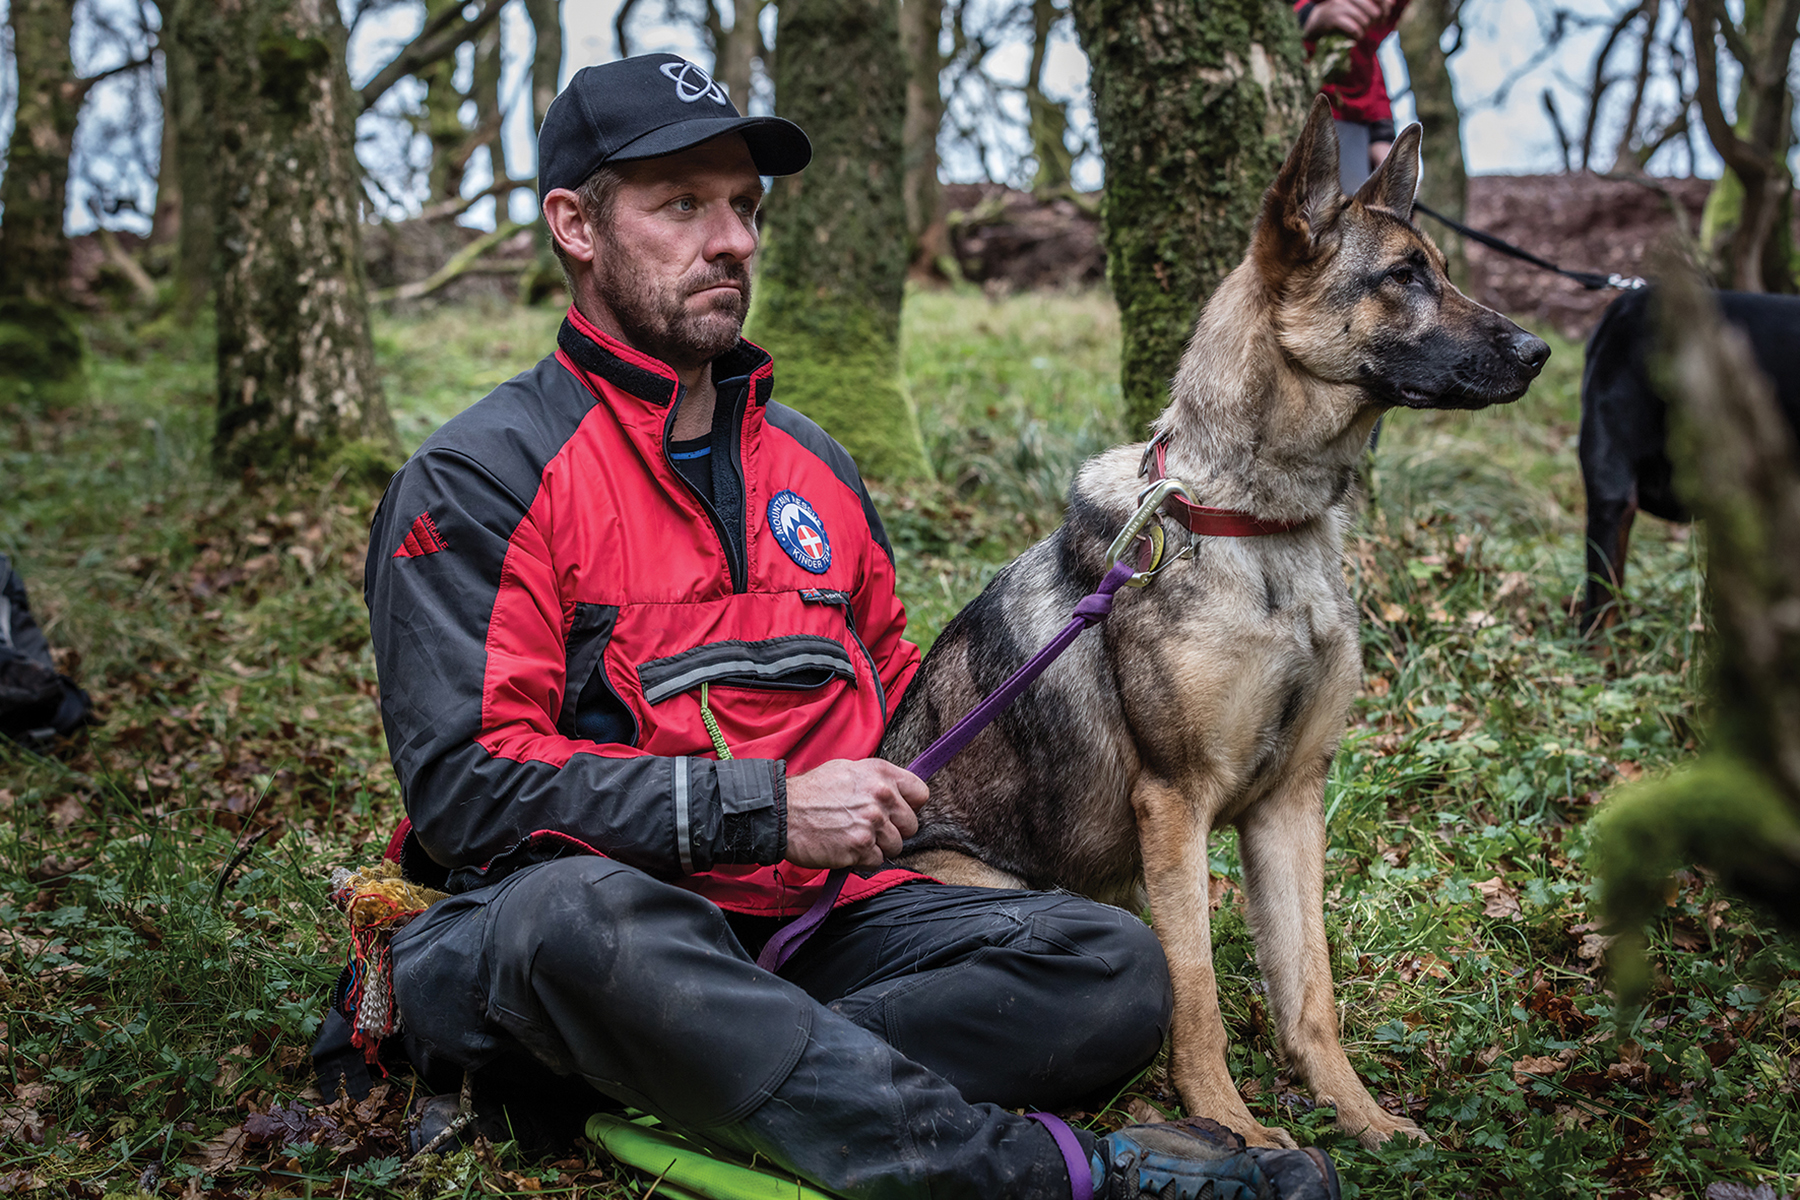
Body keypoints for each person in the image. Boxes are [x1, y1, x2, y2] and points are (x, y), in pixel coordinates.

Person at [355, 52, 1343, 1200]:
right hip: (588, 939)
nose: (732, 240)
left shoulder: (815, 469)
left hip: (811, 934)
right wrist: (769, 807)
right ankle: (1070, 1177)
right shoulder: (478, 478)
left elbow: (889, 700)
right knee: (569, 918)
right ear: (574, 225)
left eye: (744, 208)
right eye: (683, 205)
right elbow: (469, 791)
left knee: (1109, 962)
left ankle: (713, 1073)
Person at [1295, 0, 1409, 191]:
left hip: (1350, 128)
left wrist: (1381, 132)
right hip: (1286, 102)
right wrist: (1303, 16)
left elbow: (1364, 52)